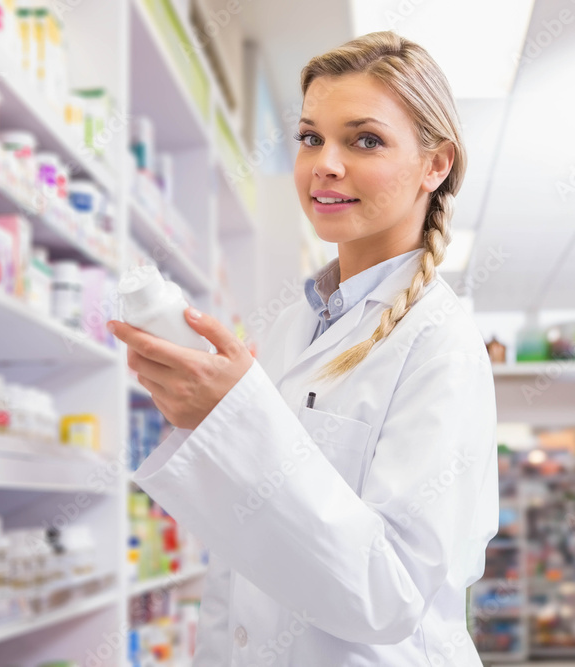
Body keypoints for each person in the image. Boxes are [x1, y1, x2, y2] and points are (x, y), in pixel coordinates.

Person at [109, 30, 498, 666]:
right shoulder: (293, 325)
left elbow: (390, 594)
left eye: (364, 140)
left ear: (436, 165)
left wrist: (234, 420)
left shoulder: (440, 344)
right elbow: (245, 560)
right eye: (312, 138)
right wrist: (209, 419)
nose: (325, 163)